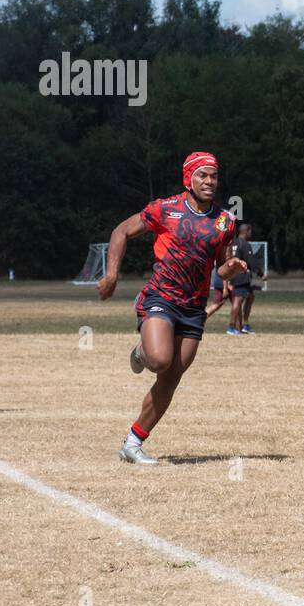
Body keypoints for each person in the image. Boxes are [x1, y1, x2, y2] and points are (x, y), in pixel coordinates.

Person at [97, 151, 245, 464]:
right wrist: (111, 275)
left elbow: (220, 268)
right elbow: (121, 231)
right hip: (161, 298)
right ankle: (143, 350)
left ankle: (133, 443)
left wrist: (231, 267)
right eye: (202, 175)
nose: (209, 181)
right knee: (160, 360)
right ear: (188, 178)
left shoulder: (225, 221)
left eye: (214, 176)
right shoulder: (165, 209)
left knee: (171, 377)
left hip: (193, 308)